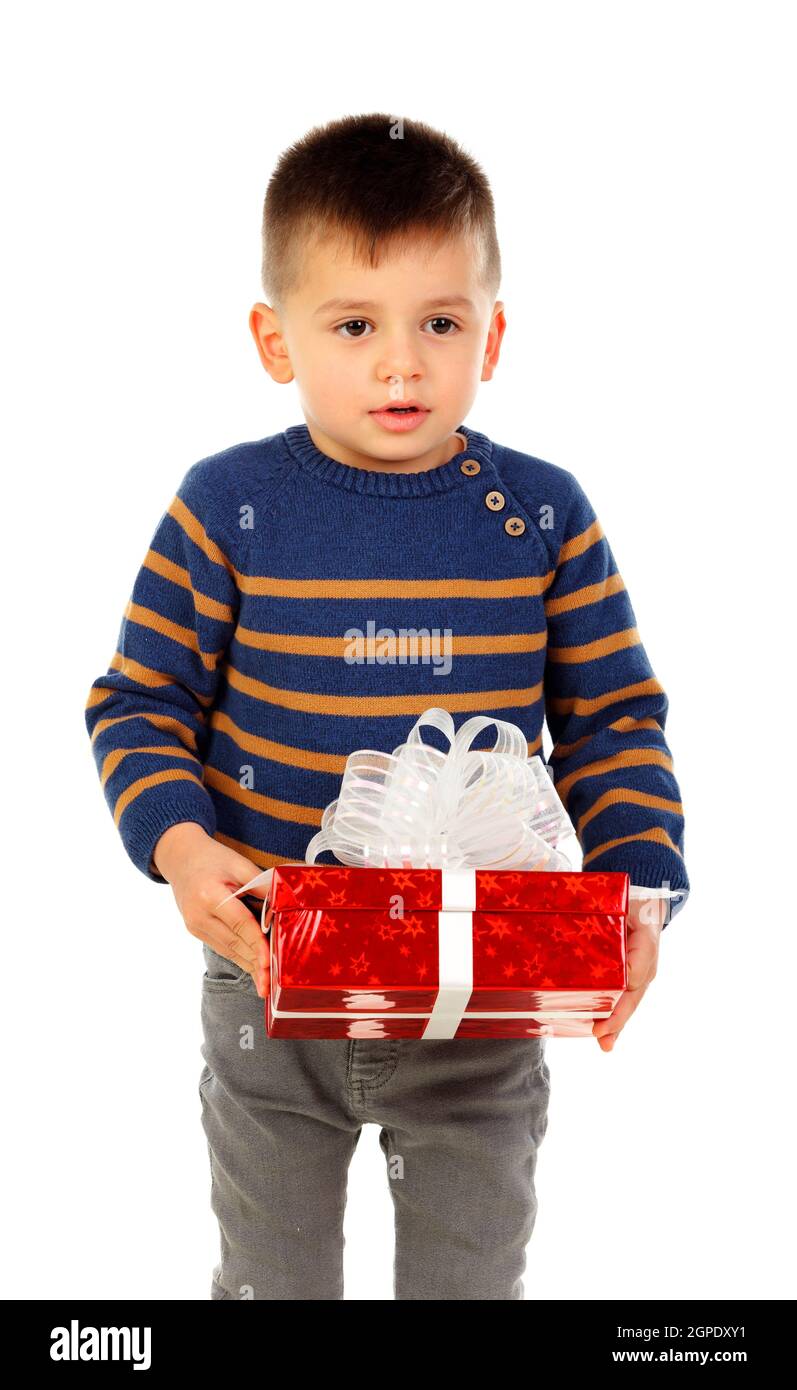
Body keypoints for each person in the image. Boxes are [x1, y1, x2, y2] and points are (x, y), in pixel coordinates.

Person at [84, 112, 690, 1300]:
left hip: (482, 980)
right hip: (268, 969)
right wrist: (183, 848)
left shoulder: (541, 516)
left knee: (469, 1280)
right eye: (354, 326)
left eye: (440, 323)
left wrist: (638, 890)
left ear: (493, 335)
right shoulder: (228, 507)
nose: (401, 364)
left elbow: (615, 718)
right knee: (270, 1276)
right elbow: (139, 699)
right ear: (275, 340)